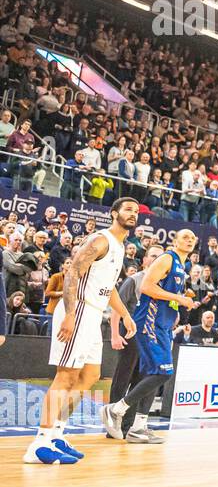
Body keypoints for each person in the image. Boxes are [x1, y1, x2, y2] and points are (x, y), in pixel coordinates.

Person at [24, 198, 138, 465]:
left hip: (95, 312)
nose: (133, 214)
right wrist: (71, 314)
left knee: (90, 375)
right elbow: (73, 272)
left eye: (136, 211)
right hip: (79, 310)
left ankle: (57, 434)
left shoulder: (120, 247)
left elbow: (108, 289)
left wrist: (125, 314)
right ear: (114, 213)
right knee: (66, 376)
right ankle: (39, 443)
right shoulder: (101, 240)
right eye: (127, 209)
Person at [102, 230, 199, 443]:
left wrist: (177, 308)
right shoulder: (167, 258)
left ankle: (137, 427)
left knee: (152, 375)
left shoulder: (182, 268)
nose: (190, 240)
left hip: (162, 325)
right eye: (185, 237)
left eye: (193, 238)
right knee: (163, 372)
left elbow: (166, 298)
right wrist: (179, 299)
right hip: (148, 322)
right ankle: (116, 410)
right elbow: (146, 286)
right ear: (175, 241)